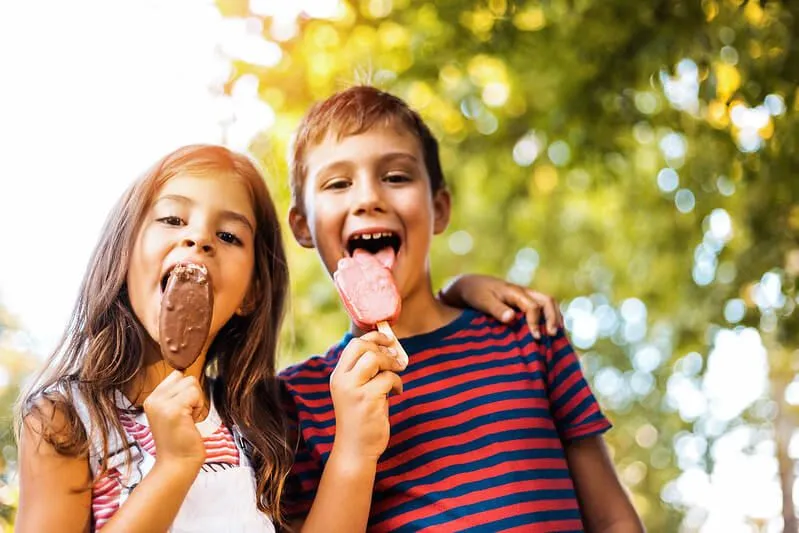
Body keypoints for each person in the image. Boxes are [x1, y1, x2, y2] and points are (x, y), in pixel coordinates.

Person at [14, 144, 562, 532]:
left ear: (252, 293)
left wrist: (354, 445)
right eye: (173, 220)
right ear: (124, 253)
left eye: (228, 235)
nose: (199, 239)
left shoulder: (259, 425)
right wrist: (172, 470)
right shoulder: (68, 423)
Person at [282, 86, 645, 532]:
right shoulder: (296, 402)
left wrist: (458, 289)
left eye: (396, 177)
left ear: (438, 207)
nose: (369, 197)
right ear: (302, 225)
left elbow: (613, 520)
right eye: (338, 183)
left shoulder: (526, 333)